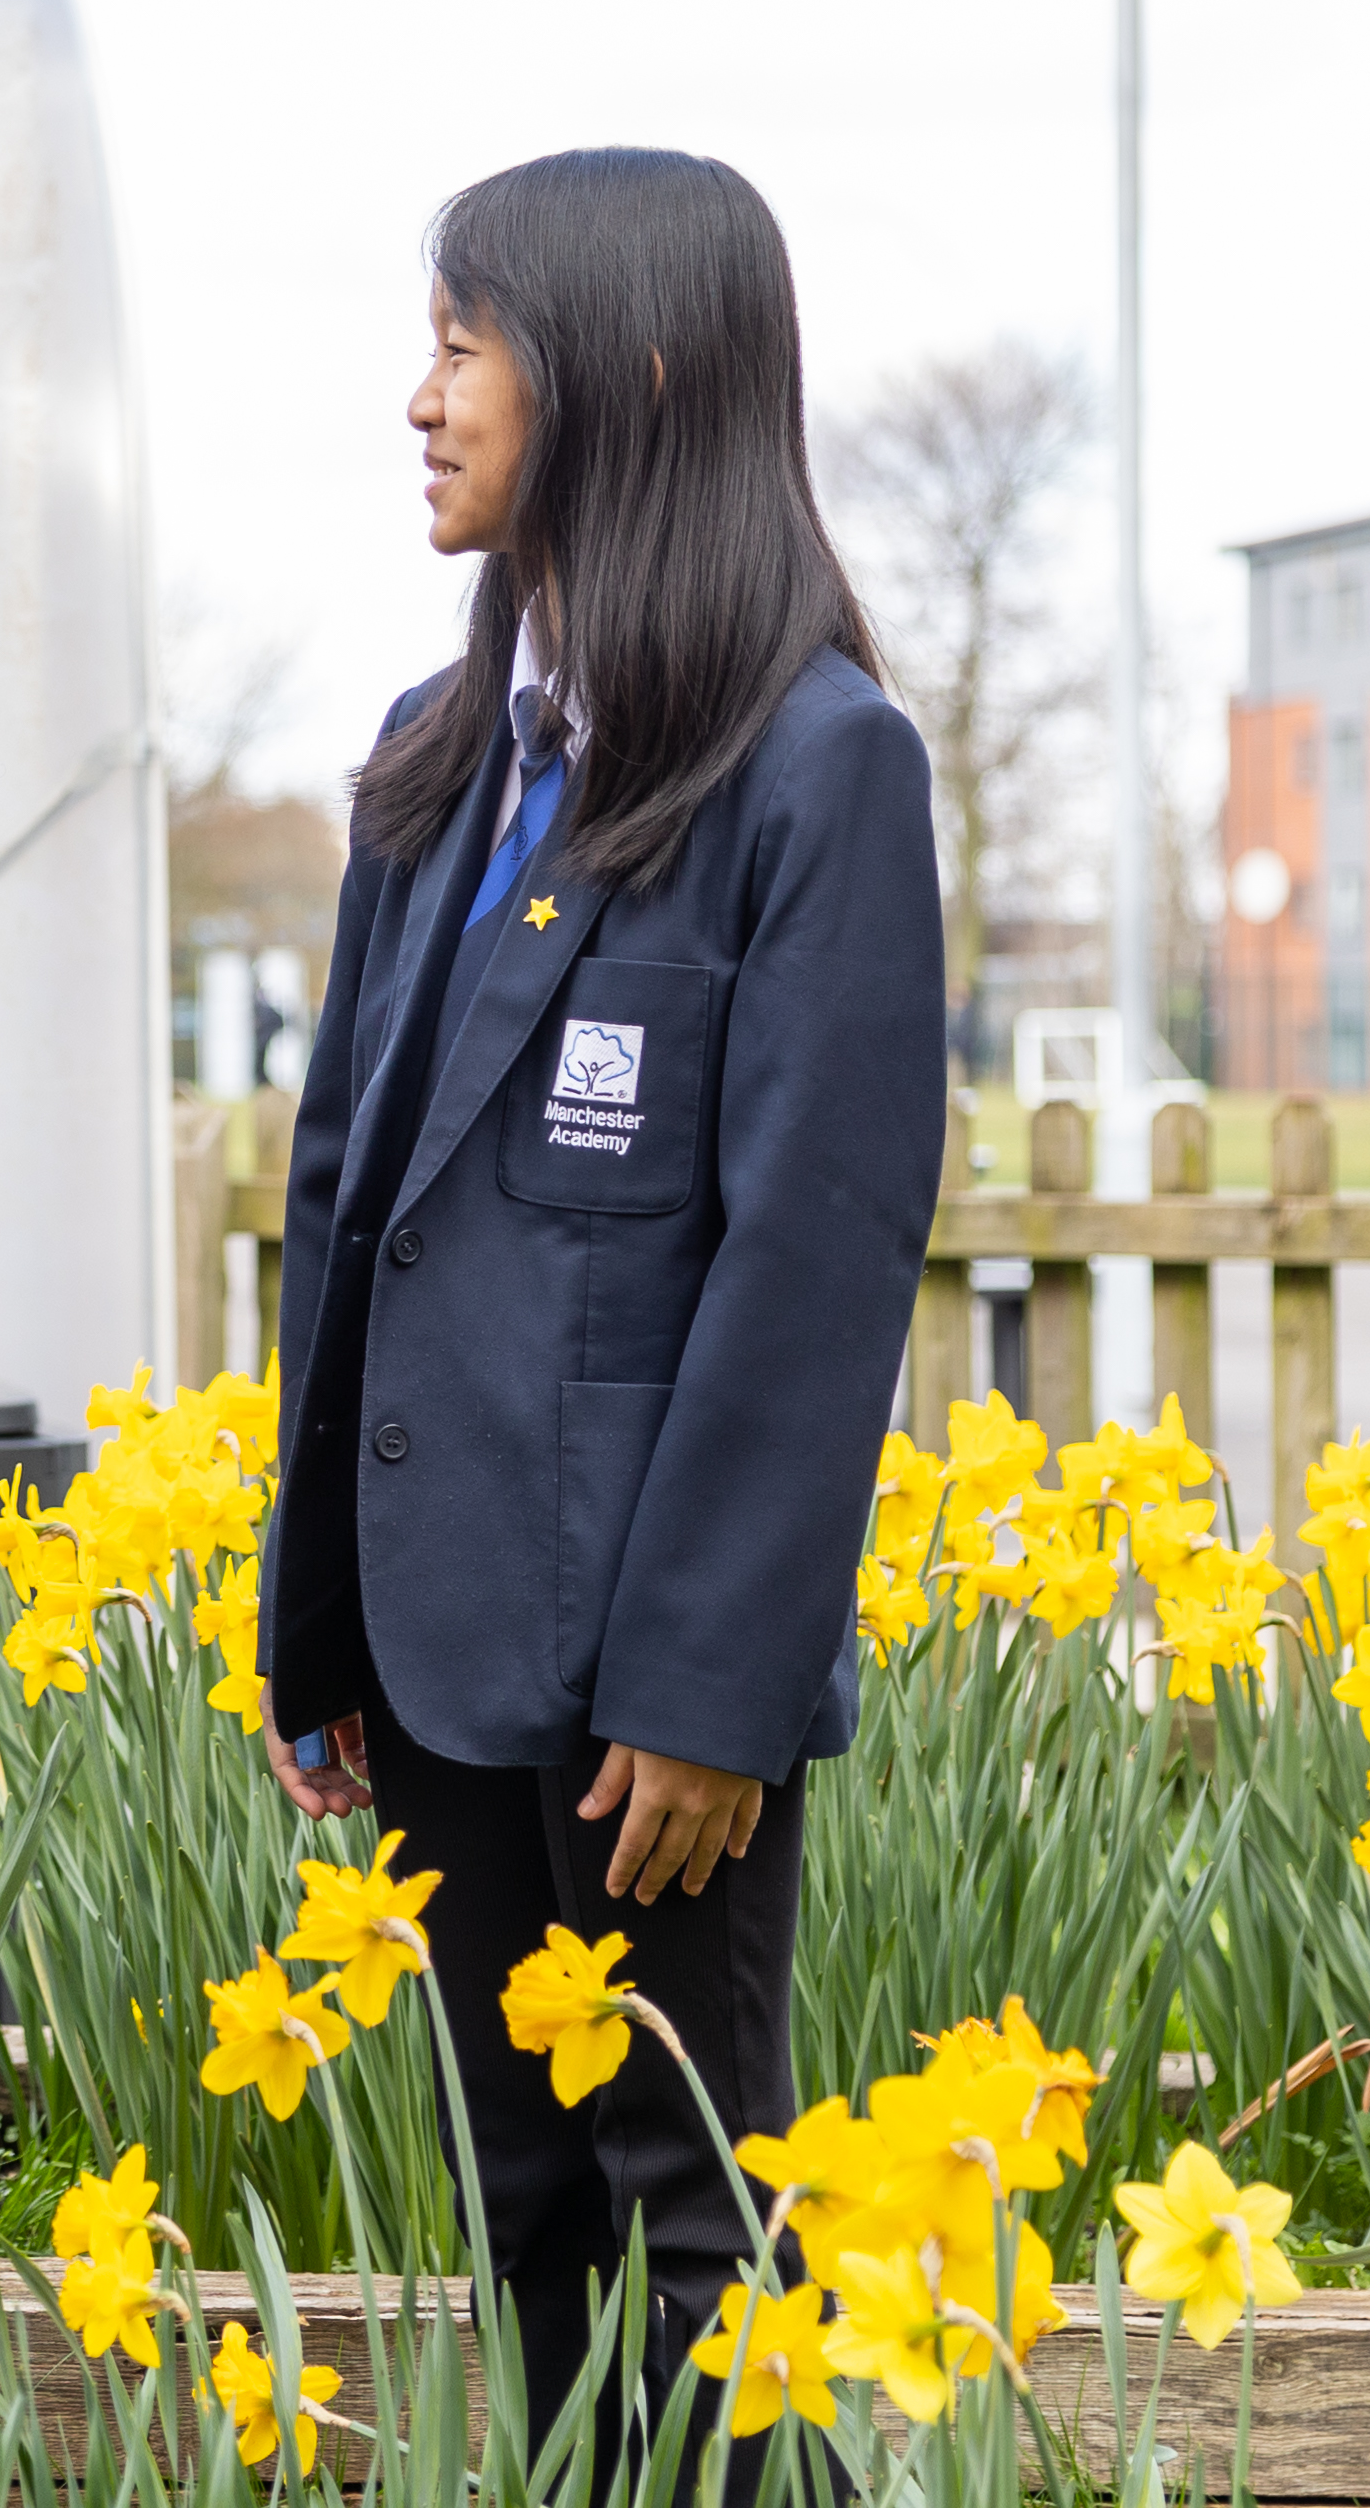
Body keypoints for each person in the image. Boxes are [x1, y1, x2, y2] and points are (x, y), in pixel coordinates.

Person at [259, 148, 942, 2473]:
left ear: (627, 373)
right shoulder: (436, 770)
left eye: (462, 343)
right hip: (439, 1659)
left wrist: (709, 1694)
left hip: (642, 1701)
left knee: (695, 2232)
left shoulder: (810, 772)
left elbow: (810, 1263)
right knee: (521, 2211)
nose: (419, 398)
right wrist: (310, 1632)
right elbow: (347, 1206)